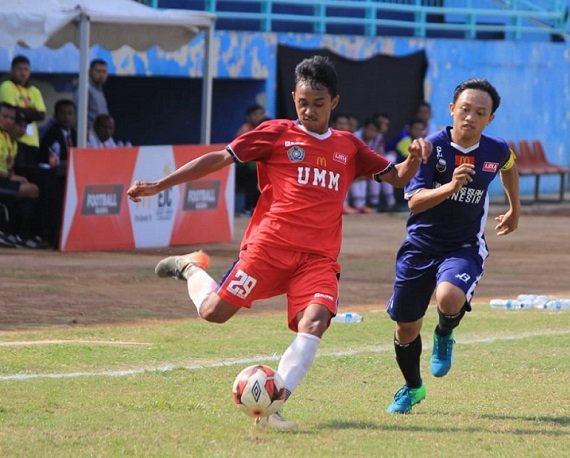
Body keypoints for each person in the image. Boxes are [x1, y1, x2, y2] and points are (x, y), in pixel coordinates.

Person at [126, 56, 432, 429]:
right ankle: (191, 266)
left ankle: (270, 408)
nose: (309, 110)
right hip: (268, 249)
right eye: (302, 102)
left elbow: (398, 178)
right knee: (213, 313)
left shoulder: (348, 146)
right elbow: (218, 160)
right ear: (294, 97)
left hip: (318, 259)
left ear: (334, 102)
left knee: (316, 321)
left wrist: (414, 161)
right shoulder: (275, 133)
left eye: (318, 103)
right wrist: (160, 185)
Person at [385, 78, 520, 414]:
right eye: (465, 109)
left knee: (448, 297)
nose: (470, 117)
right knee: (405, 327)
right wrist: (449, 187)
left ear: (490, 119)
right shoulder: (431, 148)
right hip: (420, 246)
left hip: (464, 246)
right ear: (451, 110)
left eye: (480, 112)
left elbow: (510, 167)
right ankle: (413, 388)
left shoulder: (496, 149)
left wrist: (515, 208)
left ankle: (445, 333)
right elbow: (414, 202)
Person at [0, 104, 41, 248]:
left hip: (3, 181)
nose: (9, 121)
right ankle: (20, 234)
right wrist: (9, 177)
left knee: (29, 188)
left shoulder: (10, 141)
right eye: (5, 117)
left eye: (11, 118)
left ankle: (13, 233)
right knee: (32, 190)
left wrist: (13, 176)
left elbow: (8, 167)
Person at [38, 99, 77, 247]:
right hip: (54, 178)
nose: (66, 117)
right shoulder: (51, 134)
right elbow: (51, 162)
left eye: (70, 114)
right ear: (55, 115)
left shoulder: (75, 133)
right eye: (63, 113)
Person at [0, 55, 46, 172]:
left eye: (26, 69)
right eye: (19, 69)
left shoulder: (34, 90)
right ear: (12, 70)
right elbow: (12, 111)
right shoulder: (7, 86)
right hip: (15, 138)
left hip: (32, 141)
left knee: (31, 173)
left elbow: (41, 115)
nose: (23, 73)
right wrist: (31, 111)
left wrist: (22, 111)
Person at [235, 104, 269, 214]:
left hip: (258, 166)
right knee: (253, 174)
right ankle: (248, 208)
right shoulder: (245, 130)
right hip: (242, 166)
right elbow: (243, 155)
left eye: (261, 114)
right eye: (255, 114)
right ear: (249, 117)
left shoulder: (267, 127)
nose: (259, 117)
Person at [86, 58, 110, 138]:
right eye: (98, 71)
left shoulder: (99, 90)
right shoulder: (85, 89)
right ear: (90, 72)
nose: (101, 75)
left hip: (101, 136)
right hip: (89, 135)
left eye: (104, 72)